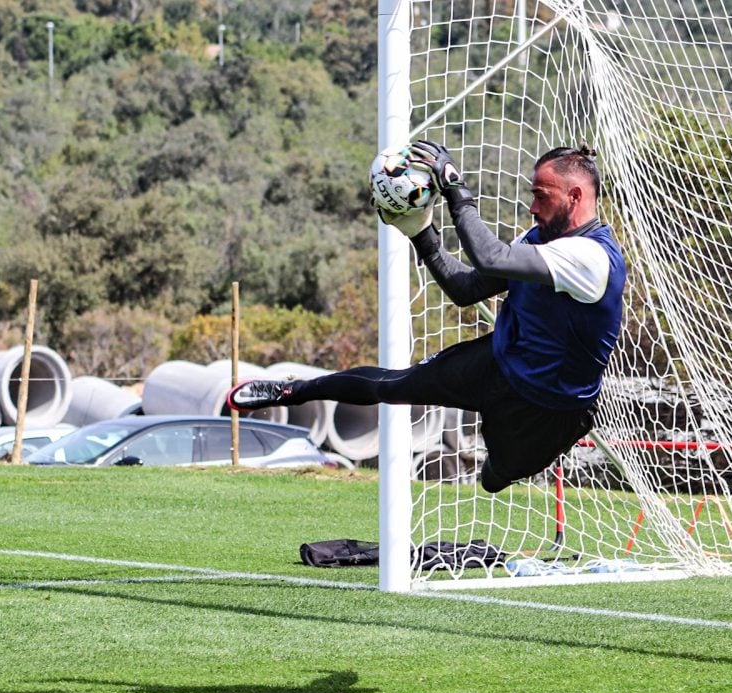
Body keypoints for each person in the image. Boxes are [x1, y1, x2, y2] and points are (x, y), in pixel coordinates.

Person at [228, 141, 627, 493]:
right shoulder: (538, 238)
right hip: (497, 363)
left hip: (549, 406)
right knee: (394, 384)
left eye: (541, 196)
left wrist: (457, 191)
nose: (532, 206)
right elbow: (467, 290)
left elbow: (490, 256)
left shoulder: (592, 258)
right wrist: (422, 233)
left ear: (575, 196)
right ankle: (290, 391)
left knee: (493, 478)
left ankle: (514, 457)